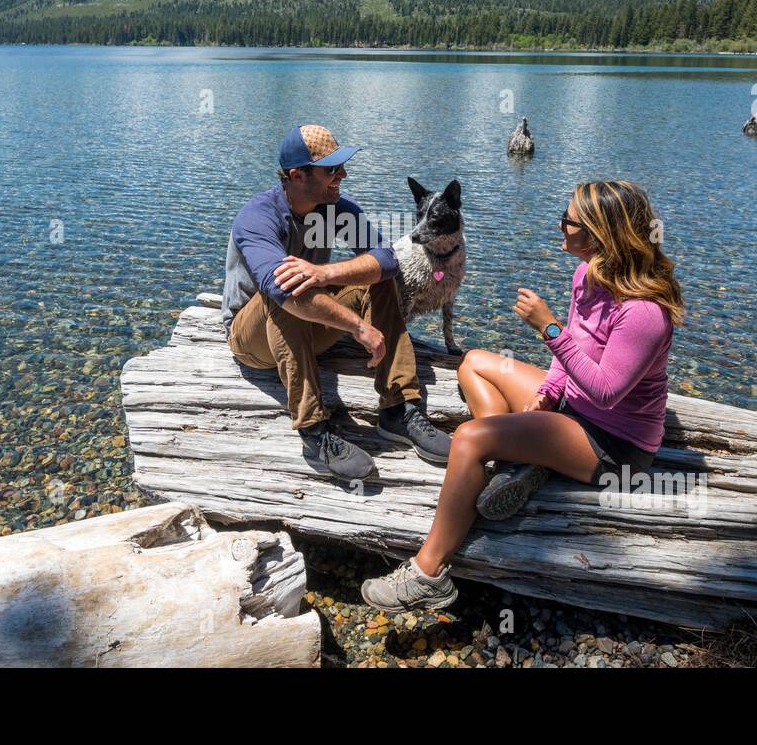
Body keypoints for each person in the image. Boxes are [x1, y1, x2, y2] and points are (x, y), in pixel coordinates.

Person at [360, 180, 685, 612]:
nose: (560, 225)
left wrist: (548, 329)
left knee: (472, 438)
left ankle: (428, 574)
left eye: (568, 220)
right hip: (572, 406)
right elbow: (577, 348)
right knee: (473, 362)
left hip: (610, 444)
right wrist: (549, 393)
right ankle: (513, 464)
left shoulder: (643, 311)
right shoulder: (588, 272)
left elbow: (606, 391)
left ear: (598, 232)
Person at [222, 124, 453, 481]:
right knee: (286, 288)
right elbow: (282, 290)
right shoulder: (258, 217)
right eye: (331, 169)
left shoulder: (335, 208)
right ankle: (314, 429)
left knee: (380, 277)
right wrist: (358, 327)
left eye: (341, 166)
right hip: (253, 342)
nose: (342, 174)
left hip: (308, 329)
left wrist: (326, 274)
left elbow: (388, 260)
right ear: (297, 175)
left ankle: (398, 408)